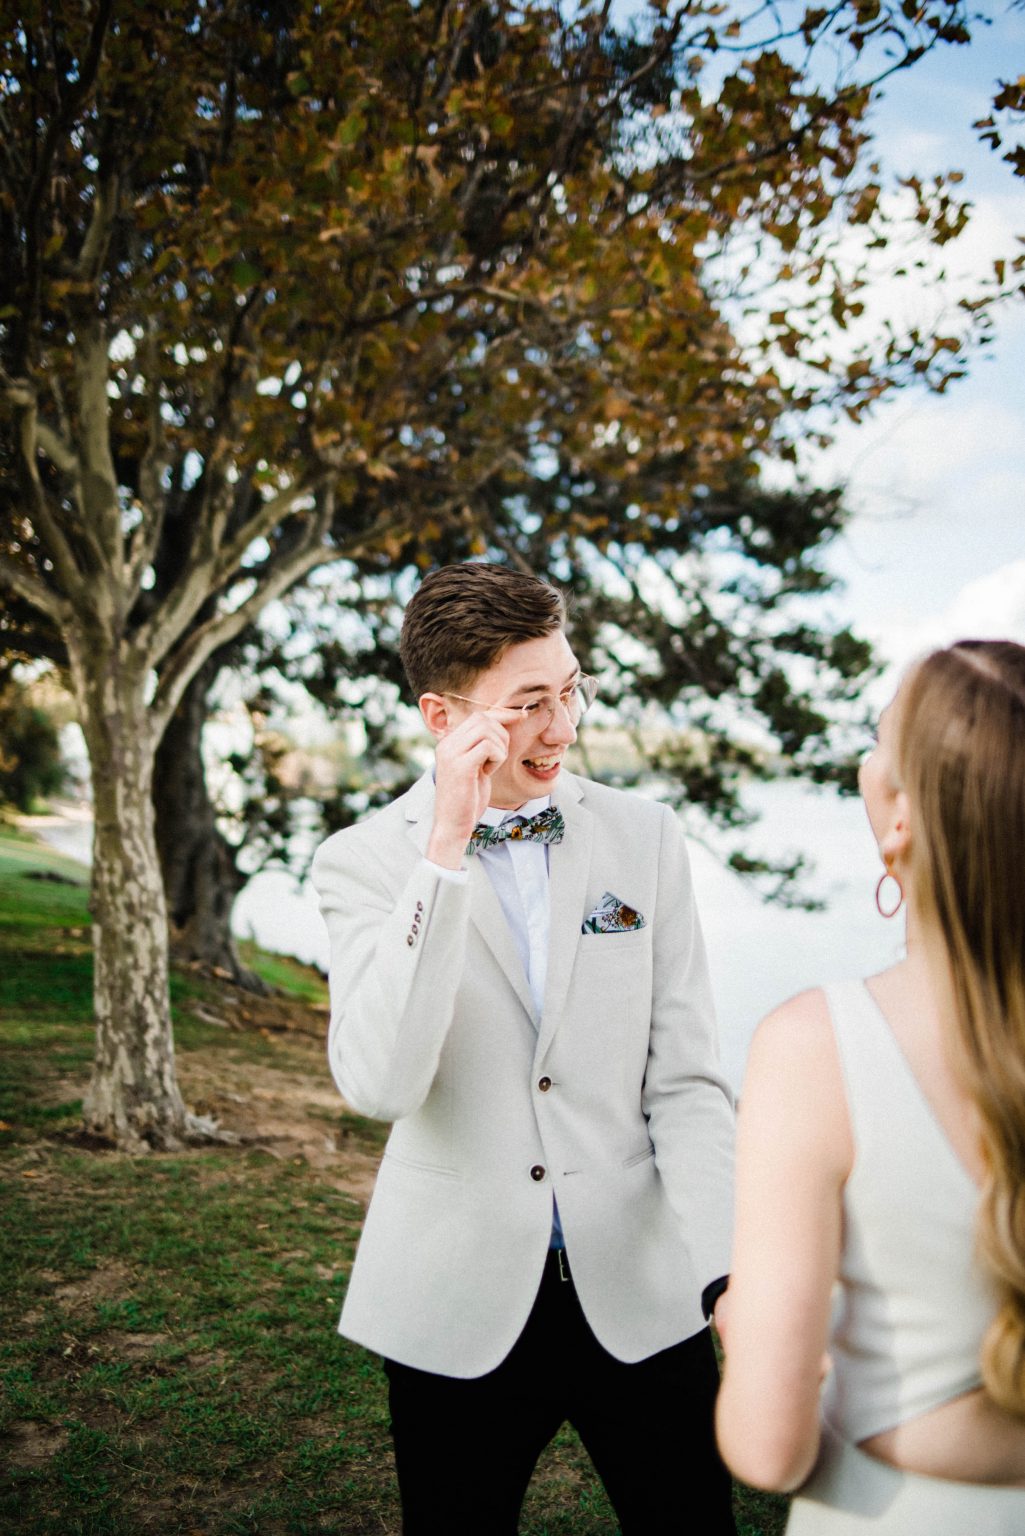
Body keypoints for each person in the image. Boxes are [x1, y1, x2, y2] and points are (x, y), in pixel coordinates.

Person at [311, 561, 737, 1534]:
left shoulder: (644, 838)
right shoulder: (360, 862)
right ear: (440, 714)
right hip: (451, 1301)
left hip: (642, 1285)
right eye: (530, 703)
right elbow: (379, 1082)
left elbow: (686, 1078)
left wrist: (725, 1272)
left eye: (572, 688)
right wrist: (442, 856)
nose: (564, 725)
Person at [715, 640, 1025, 1533]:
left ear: (899, 818)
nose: (863, 756)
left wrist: (756, 1349)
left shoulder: (814, 1050)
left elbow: (768, 1450)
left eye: (879, 734)